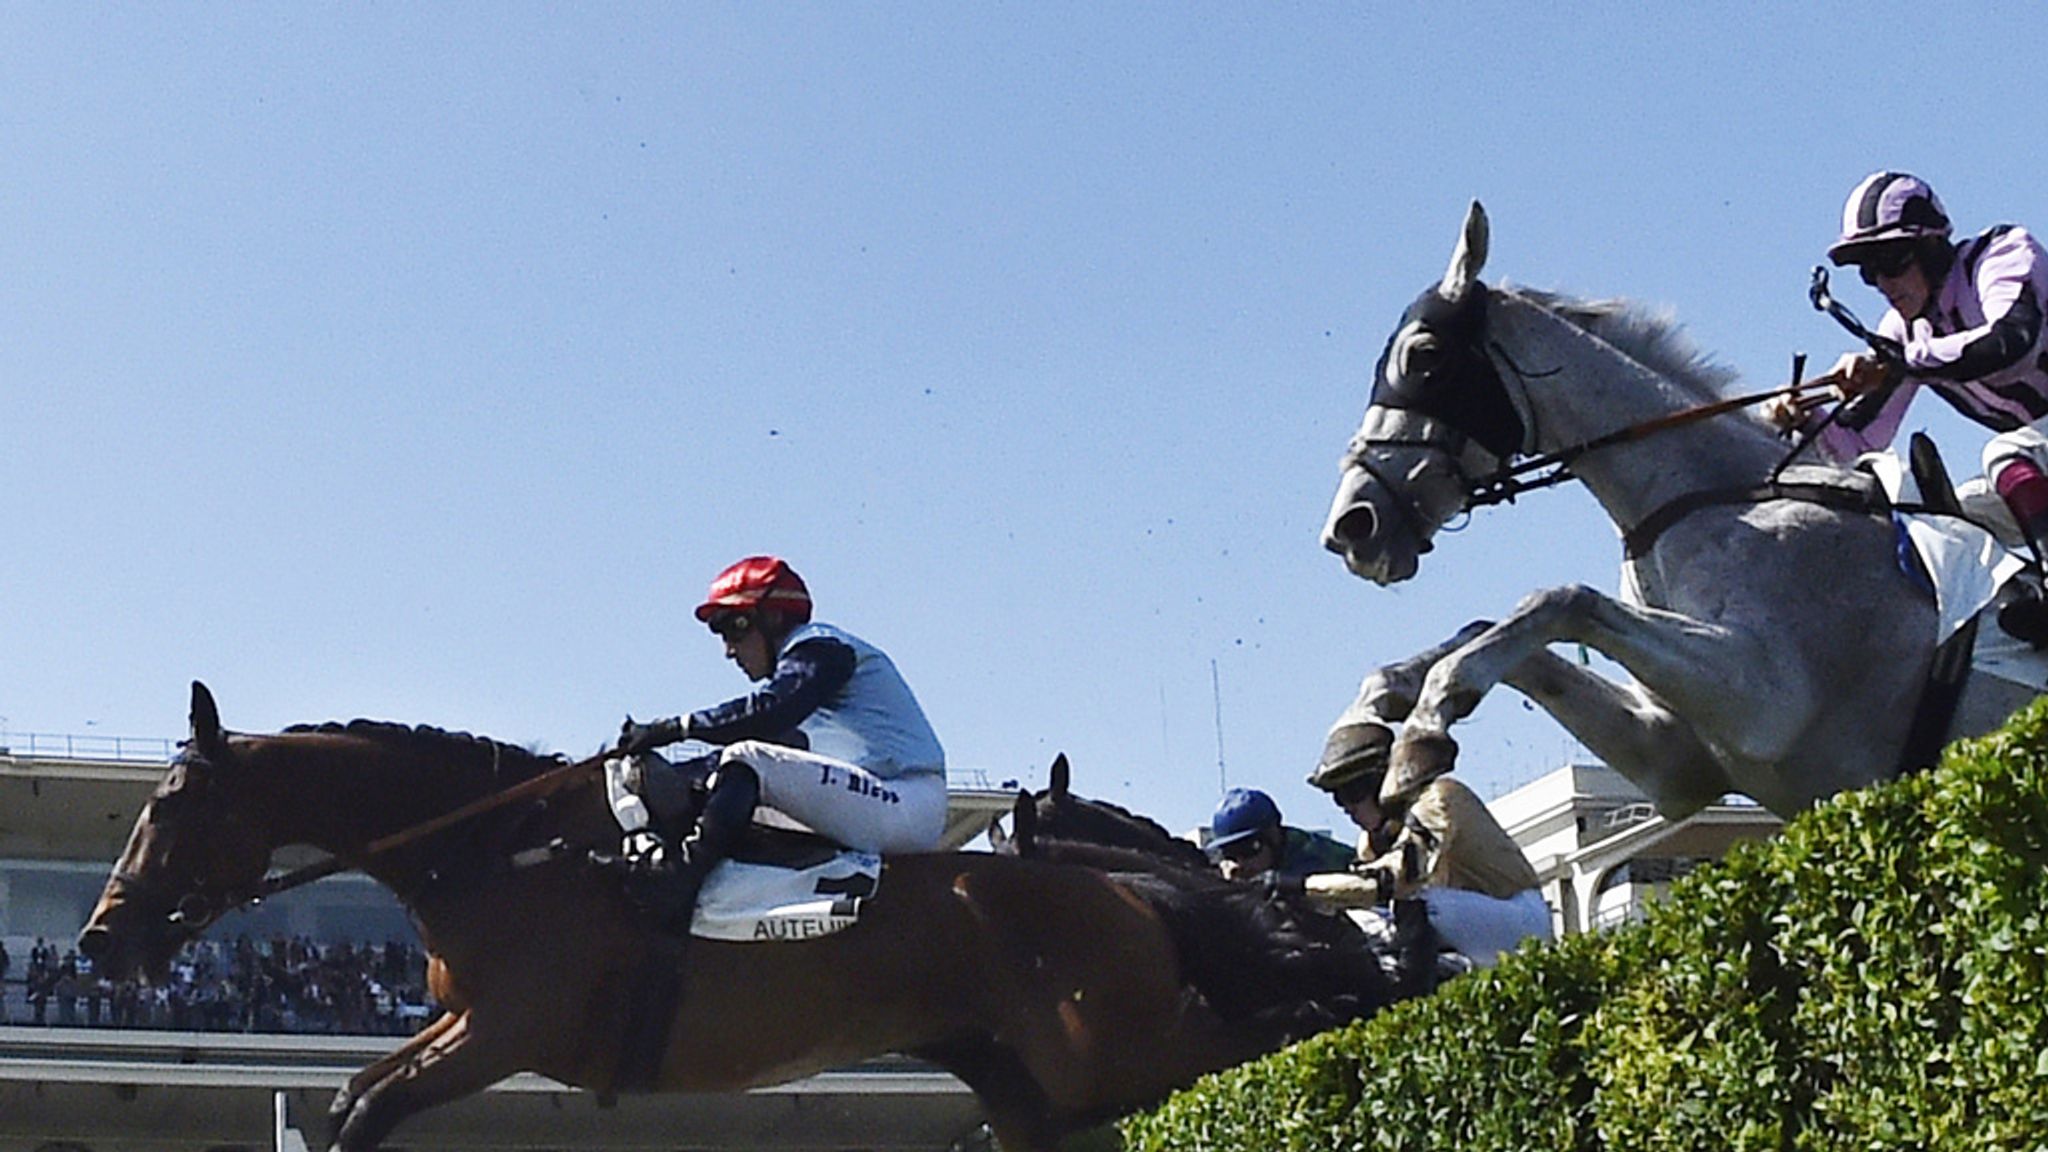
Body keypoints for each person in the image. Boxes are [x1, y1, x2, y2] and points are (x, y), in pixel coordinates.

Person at [1767, 172, 2048, 638]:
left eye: (1891, 261)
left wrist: (1904, 360)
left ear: (1932, 246)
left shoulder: (2002, 254)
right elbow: (1857, 444)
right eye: (1868, 270)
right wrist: (1804, 416)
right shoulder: (1904, 334)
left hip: (2032, 449)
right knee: (1942, 520)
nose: (1882, 283)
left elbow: (2011, 345)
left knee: (2005, 454)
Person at [607, 555, 948, 928]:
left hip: (907, 801)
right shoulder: (805, 687)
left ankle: (676, 883)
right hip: (873, 797)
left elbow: (767, 712)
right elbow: (735, 756)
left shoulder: (822, 647)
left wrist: (676, 728)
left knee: (747, 757)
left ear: (770, 619)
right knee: (719, 787)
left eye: (731, 630)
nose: (728, 650)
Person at [1292, 721, 1551, 969]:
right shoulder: (1369, 842)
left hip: (1521, 918)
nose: (1348, 808)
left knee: (1416, 903)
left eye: (1354, 793)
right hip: (1460, 921)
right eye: (1339, 799)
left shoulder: (1440, 798)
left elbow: (1398, 878)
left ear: (1380, 782)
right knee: (1359, 920)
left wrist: (1299, 886)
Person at [1205, 787, 1355, 881]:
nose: (1241, 863)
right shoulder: (1233, 869)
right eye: (1230, 853)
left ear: (1273, 835)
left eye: (1247, 848)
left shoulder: (1316, 858)